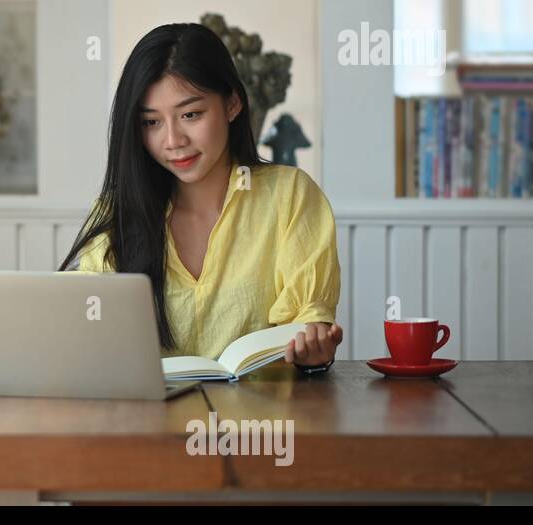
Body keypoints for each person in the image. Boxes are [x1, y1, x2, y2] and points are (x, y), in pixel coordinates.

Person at [59, 23, 343, 370]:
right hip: (147, 420)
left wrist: (313, 350)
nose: (173, 140)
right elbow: (77, 320)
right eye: (151, 122)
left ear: (233, 104)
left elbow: (308, 320)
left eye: (190, 115)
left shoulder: (291, 196)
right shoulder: (117, 211)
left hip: (261, 421)